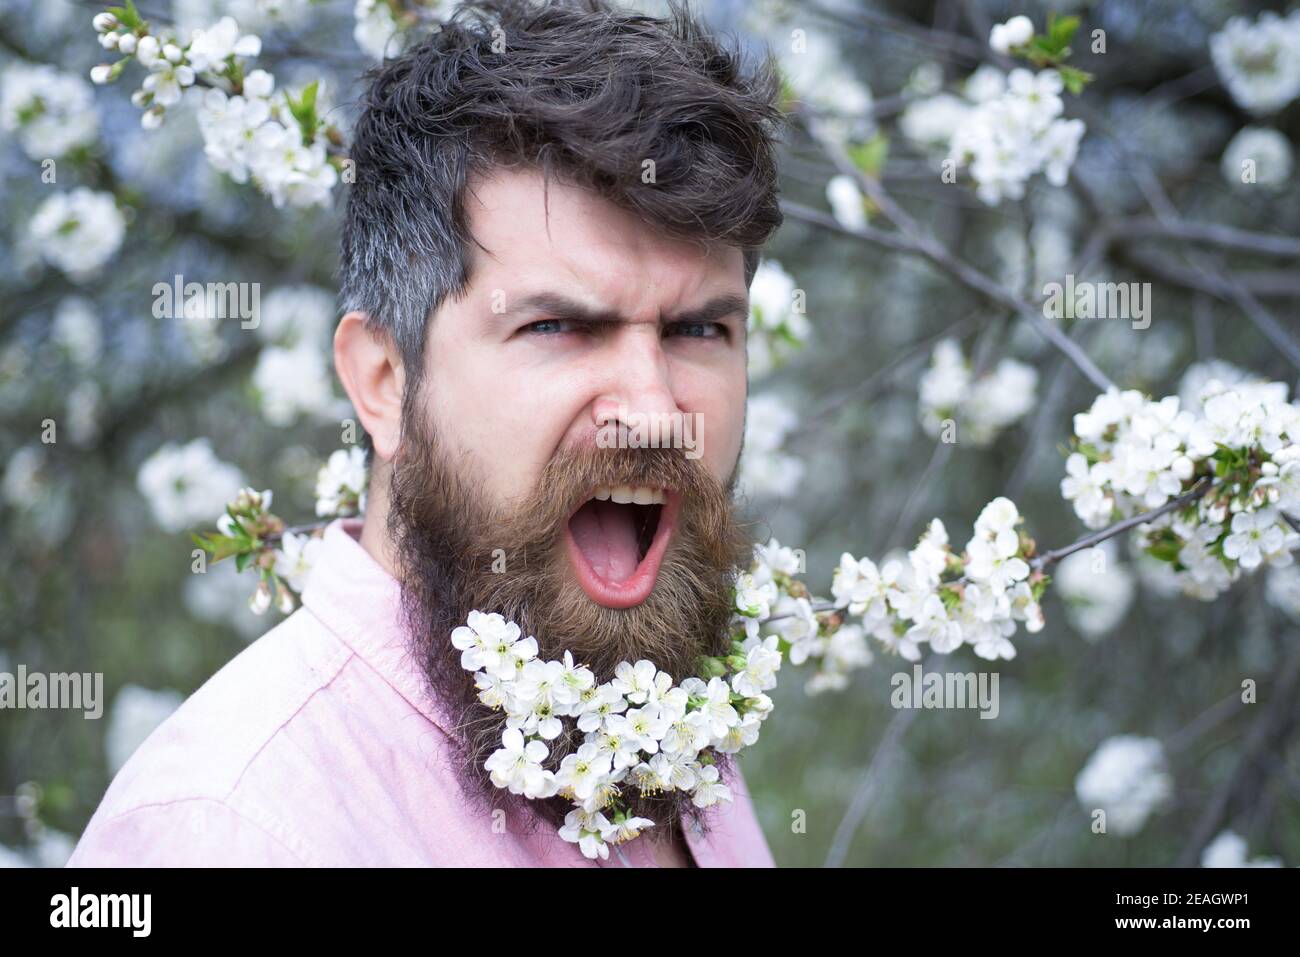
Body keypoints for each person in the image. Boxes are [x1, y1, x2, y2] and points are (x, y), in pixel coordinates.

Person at [70, 0, 786, 867]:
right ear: (383, 379)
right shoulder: (232, 831)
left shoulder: (668, 723)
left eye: (700, 331)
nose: (654, 411)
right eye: (558, 326)